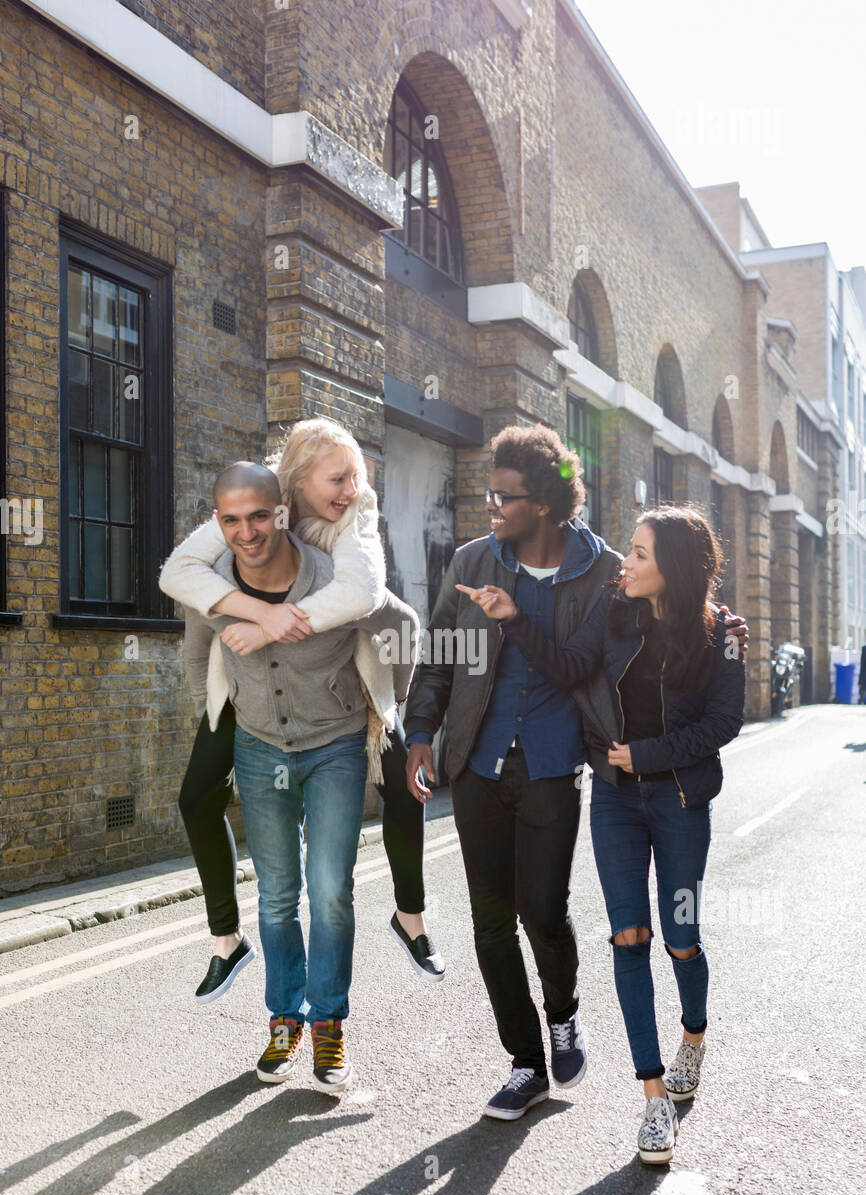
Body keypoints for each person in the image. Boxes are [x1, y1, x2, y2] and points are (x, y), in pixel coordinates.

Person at [404, 424, 747, 1123]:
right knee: (490, 920)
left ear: (548, 502)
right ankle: (526, 1063)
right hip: (476, 760)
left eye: (505, 495)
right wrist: (418, 734)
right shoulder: (474, 561)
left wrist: (718, 625)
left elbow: (666, 621)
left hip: (558, 767)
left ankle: (564, 1014)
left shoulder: (608, 573)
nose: (491, 505)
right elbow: (437, 655)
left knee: (544, 910)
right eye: (490, 493)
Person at [160, 418, 443, 1004]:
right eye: (338, 478)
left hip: (343, 711)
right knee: (202, 804)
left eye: (357, 477)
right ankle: (232, 947)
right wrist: (218, 695)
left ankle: (408, 918)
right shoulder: (252, 517)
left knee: (399, 787)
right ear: (294, 487)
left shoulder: (352, 527)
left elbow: (385, 610)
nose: (354, 489)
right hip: (251, 710)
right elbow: (183, 594)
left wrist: (391, 705)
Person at [181, 462, 418, 1093]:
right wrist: (219, 719)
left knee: (331, 893)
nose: (247, 532)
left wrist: (384, 710)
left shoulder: (334, 579)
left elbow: (403, 628)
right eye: (230, 520)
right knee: (278, 895)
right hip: (260, 752)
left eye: (259, 515)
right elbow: (196, 652)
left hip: (334, 748)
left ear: (282, 511)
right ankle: (285, 1017)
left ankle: (329, 1024)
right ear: (218, 522)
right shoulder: (211, 585)